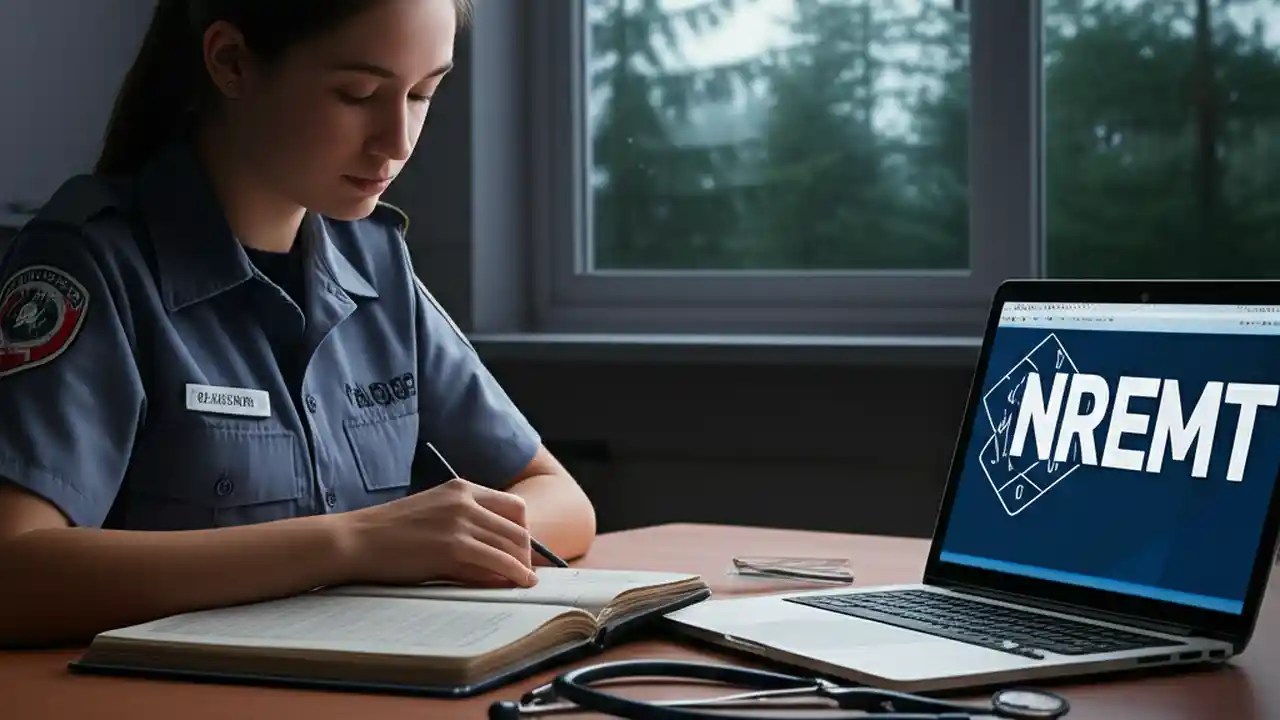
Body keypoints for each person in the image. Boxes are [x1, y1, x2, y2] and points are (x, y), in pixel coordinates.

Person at [0, 0, 596, 648]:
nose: (397, 141)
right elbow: (15, 571)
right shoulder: (89, 265)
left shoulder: (376, 263)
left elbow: (560, 500)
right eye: (357, 93)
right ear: (231, 62)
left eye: (424, 93)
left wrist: (442, 539)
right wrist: (355, 544)